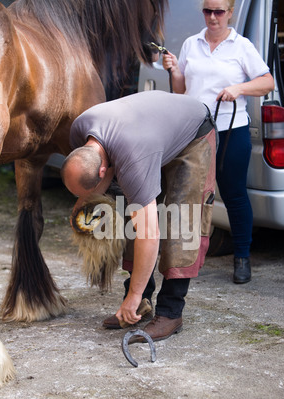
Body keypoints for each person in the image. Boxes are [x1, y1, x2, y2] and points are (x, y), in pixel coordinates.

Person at [61, 90, 217, 342]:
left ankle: (170, 312)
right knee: (129, 217)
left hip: (192, 135)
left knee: (181, 222)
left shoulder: (133, 158)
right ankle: (140, 303)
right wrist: (81, 204)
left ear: (100, 169)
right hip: (152, 134)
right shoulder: (80, 131)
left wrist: (131, 296)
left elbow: (150, 234)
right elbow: (103, 176)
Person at [162, 0, 275, 283]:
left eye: (219, 12)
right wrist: (175, 69)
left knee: (234, 193)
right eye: (207, 11)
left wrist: (239, 88)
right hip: (196, 130)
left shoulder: (242, 46)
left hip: (231, 129)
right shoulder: (191, 43)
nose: (213, 17)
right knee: (191, 195)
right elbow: (183, 89)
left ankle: (242, 257)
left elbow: (267, 82)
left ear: (230, 13)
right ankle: (186, 258)